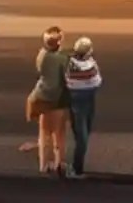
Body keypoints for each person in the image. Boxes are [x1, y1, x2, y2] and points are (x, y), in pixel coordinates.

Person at [27, 27, 71, 176]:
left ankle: (43, 164)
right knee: (59, 132)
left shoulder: (41, 55)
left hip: (41, 96)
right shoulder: (62, 58)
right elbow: (67, 75)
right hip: (57, 98)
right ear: (58, 42)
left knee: (44, 131)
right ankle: (60, 162)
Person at [66, 36, 103, 178]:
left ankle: (76, 163)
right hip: (83, 99)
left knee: (82, 132)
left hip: (79, 98)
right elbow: (98, 80)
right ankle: (76, 168)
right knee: (83, 136)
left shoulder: (71, 63)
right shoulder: (89, 63)